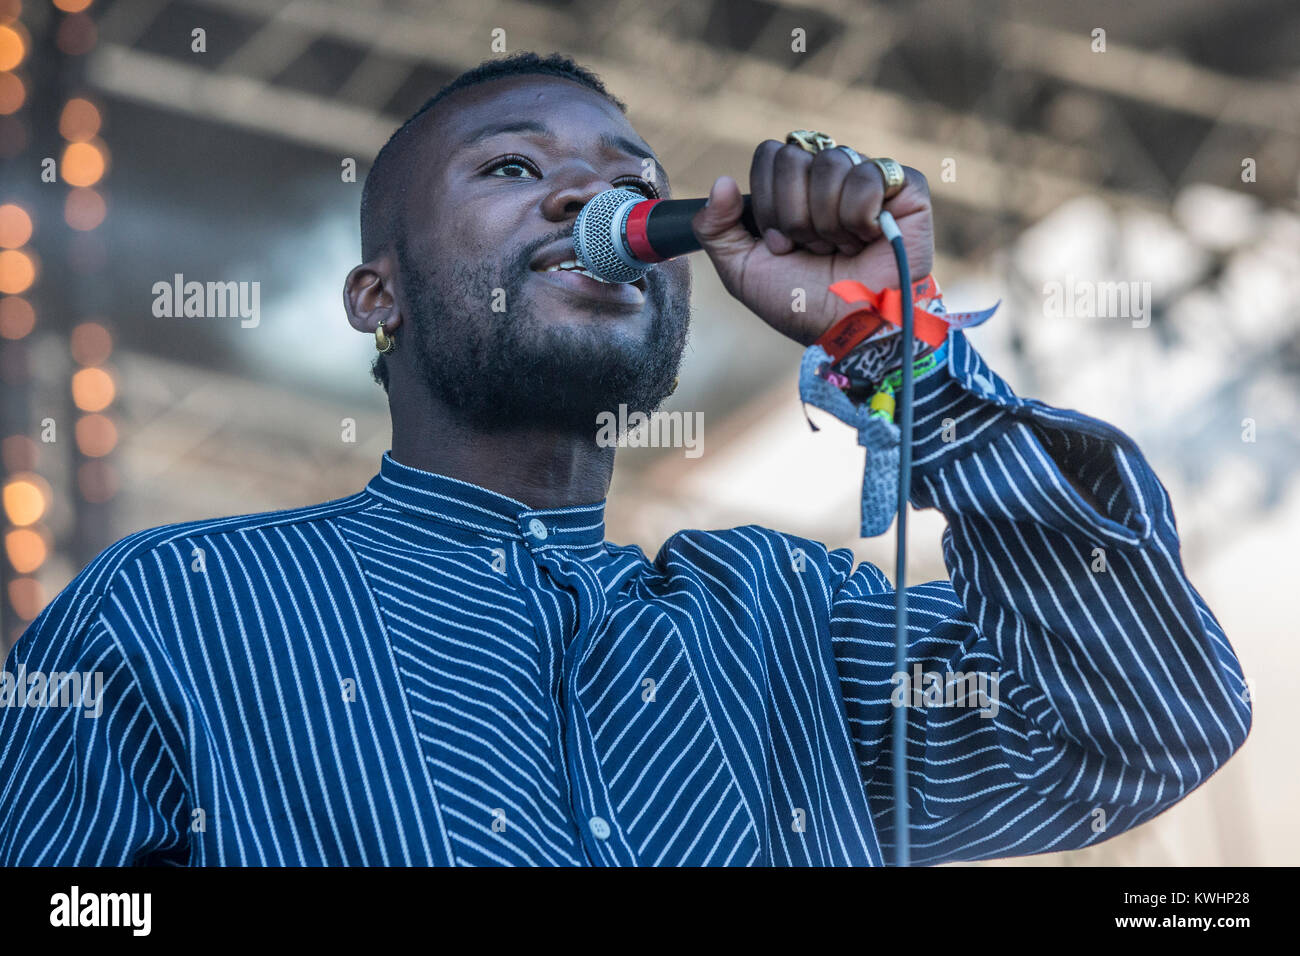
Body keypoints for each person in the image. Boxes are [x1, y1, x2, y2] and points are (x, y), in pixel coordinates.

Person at [0, 53, 1250, 866]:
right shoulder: (177, 610)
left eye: (627, 179)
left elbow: (1143, 728)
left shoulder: (785, 624)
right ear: (375, 296)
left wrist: (896, 346)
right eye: (510, 169)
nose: (582, 201)